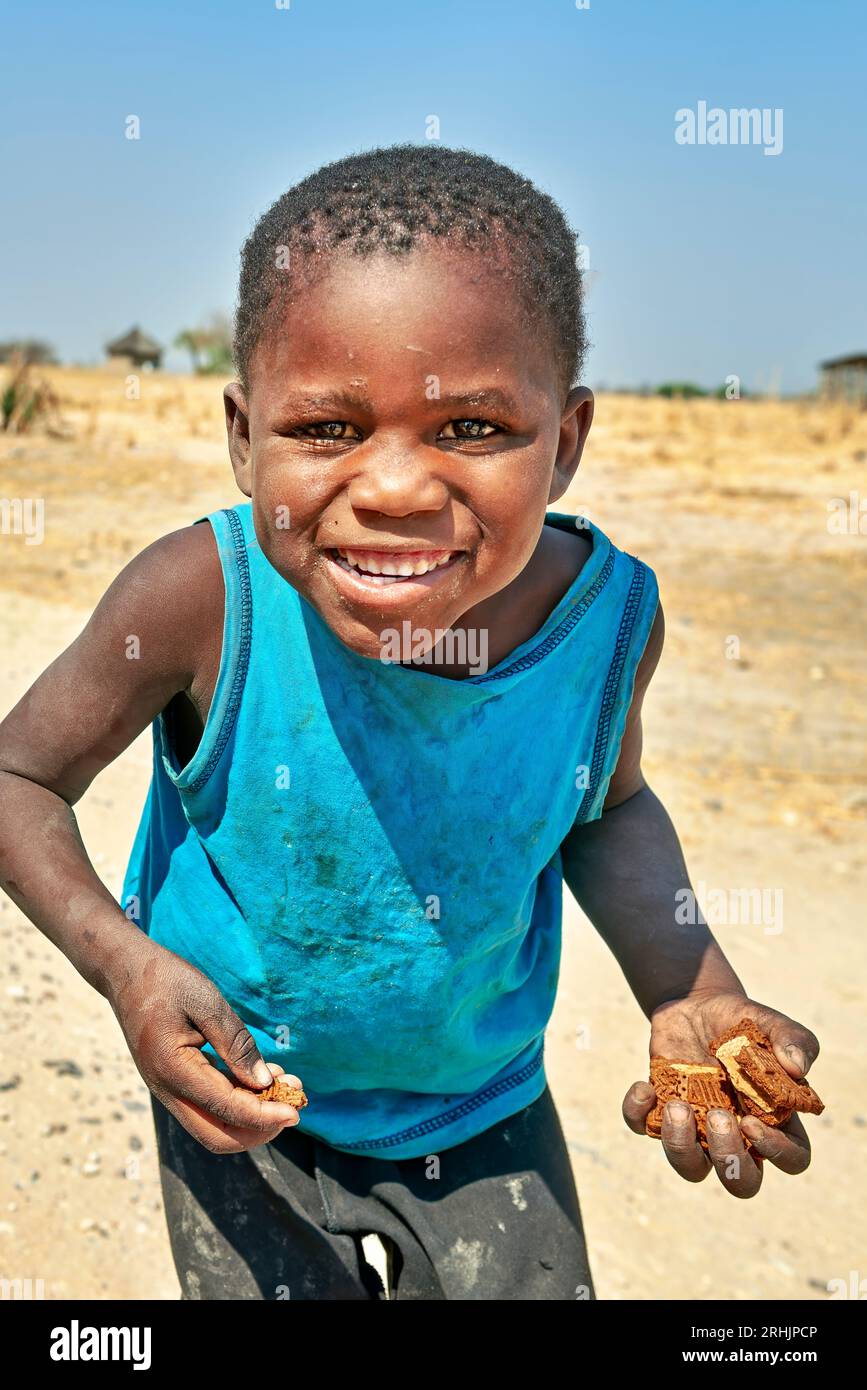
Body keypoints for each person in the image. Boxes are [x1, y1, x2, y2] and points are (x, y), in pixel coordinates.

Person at [0, 144, 820, 1300]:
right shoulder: (201, 603)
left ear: (567, 443)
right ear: (244, 438)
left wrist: (691, 987)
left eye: (474, 428)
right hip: (238, 1102)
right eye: (327, 430)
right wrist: (127, 968)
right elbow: (19, 778)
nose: (392, 489)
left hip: (477, 1104)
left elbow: (607, 803)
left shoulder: (607, 624)